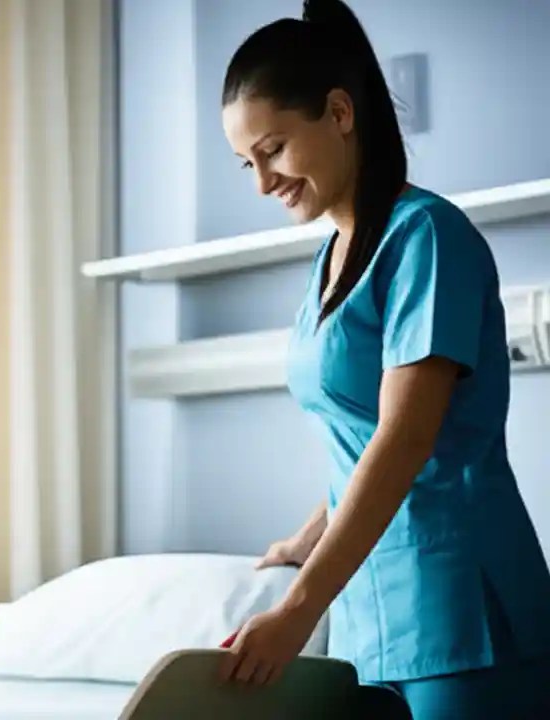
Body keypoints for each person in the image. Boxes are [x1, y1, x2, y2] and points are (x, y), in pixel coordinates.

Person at [214, 1, 550, 717]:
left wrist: (298, 610)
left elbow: (404, 438)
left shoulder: (427, 236)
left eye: (273, 149)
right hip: (371, 614)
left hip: (460, 607)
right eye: (247, 163)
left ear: (340, 112)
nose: (262, 182)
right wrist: (307, 539)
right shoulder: (333, 259)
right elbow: (362, 436)